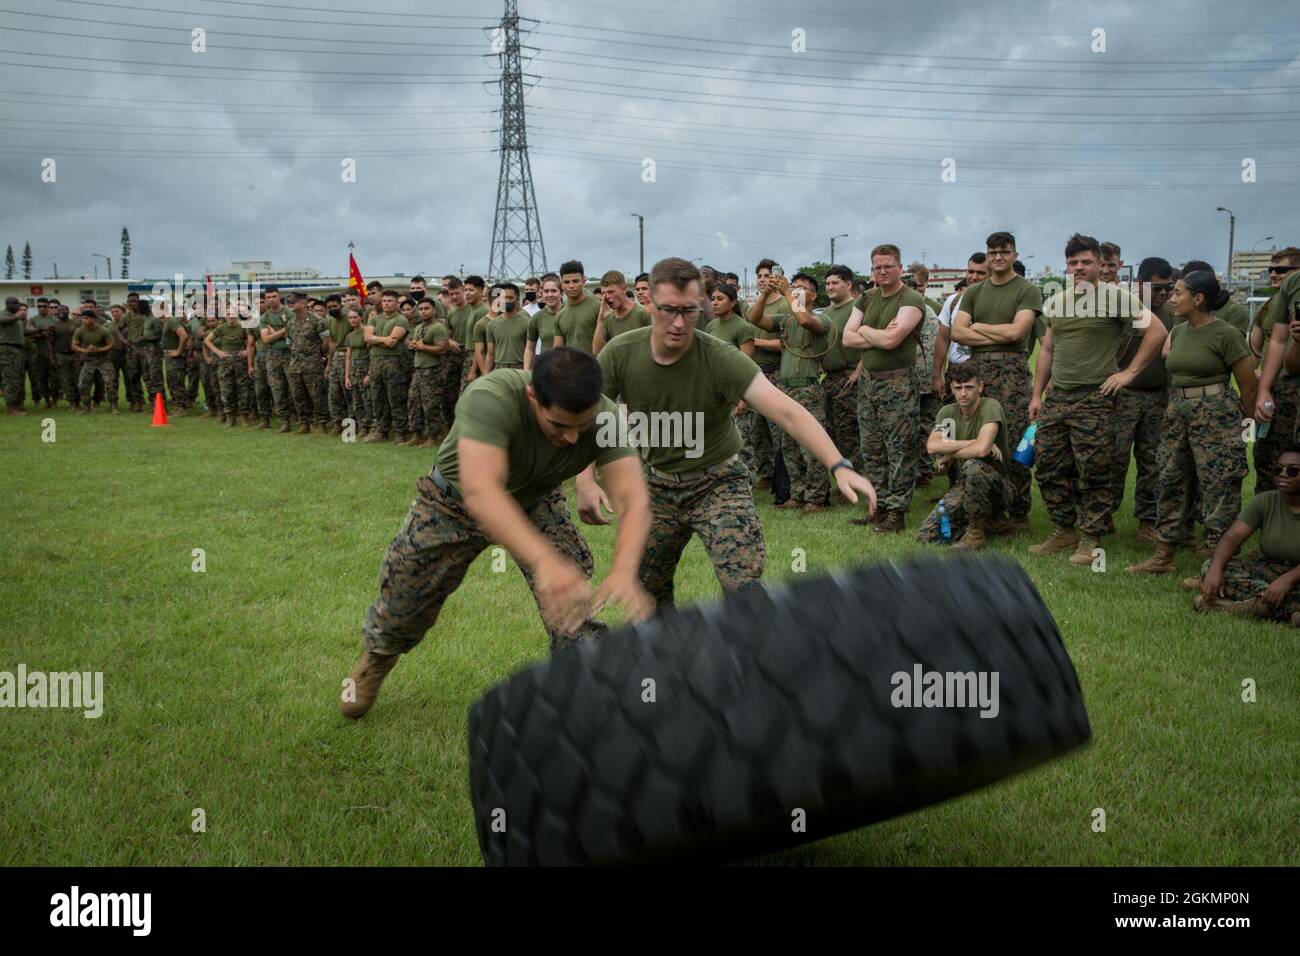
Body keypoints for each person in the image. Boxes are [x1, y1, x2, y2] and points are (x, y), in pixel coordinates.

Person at [340, 348, 654, 719]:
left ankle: (584, 682)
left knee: (570, 593)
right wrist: (543, 560)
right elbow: (482, 492)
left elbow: (633, 498)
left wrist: (623, 570)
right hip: (454, 502)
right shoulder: (491, 396)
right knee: (406, 595)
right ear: (533, 396)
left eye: (580, 427)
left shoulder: (604, 417)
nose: (572, 438)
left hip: (535, 498)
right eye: (559, 425)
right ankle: (378, 656)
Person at [583, 257, 877, 610]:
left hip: (717, 483)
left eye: (689, 311)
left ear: (702, 307)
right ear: (650, 304)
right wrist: (585, 480)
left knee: (743, 586)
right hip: (656, 486)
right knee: (647, 588)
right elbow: (588, 416)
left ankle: (750, 656)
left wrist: (838, 464)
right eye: (668, 310)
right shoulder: (621, 353)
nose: (678, 323)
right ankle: (664, 658)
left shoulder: (718, 357)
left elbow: (787, 410)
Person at [1029, 234, 1167, 565]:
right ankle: (1064, 531)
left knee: (1094, 470)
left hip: (1096, 398)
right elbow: (1048, 348)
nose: (1079, 267)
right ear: (1067, 265)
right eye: (1073, 262)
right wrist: (1037, 394)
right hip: (1059, 397)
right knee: (1048, 466)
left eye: (1086, 262)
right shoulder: (1057, 302)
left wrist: (1128, 373)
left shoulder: (1116, 298)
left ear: (1098, 264)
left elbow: (1157, 332)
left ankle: (1090, 538)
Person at [1126, 271, 1256, 573]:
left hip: (1215, 412)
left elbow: (1247, 385)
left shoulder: (1226, 334)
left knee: (1218, 485)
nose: (1172, 298)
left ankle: (1217, 565)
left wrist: (1247, 424)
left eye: (1178, 293)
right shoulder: (1179, 330)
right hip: (1178, 410)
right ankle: (1164, 555)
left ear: (1198, 299)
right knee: (1170, 478)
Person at [950, 232, 1042, 531]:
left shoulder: (1028, 290)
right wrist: (996, 332)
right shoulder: (974, 292)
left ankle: (1018, 513)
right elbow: (958, 332)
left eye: (1004, 252)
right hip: (978, 372)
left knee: (1013, 441)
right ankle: (984, 510)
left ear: (1015, 254)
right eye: (993, 253)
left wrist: (979, 326)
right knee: (980, 439)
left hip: (1012, 373)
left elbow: (1017, 334)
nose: (998, 257)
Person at [841, 243, 927, 533]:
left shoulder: (911, 298)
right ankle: (878, 507)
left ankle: (897, 513)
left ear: (900, 268)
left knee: (900, 450)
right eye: (877, 267)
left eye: (888, 266)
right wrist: (870, 332)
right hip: (869, 383)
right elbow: (846, 338)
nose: (882, 271)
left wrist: (863, 331)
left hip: (897, 382)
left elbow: (893, 341)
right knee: (872, 448)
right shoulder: (867, 297)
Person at [751, 271, 832, 512]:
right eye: (793, 287)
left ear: (813, 295)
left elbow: (805, 321)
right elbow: (755, 319)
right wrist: (765, 293)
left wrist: (787, 292)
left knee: (811, 445)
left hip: (808, 388)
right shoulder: (786, 320)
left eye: (801, 288)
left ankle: (816, 498)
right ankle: (798, 494)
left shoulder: (820, 319)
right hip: (786, 390)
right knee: (790, 446)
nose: (795, 291)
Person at [1193, 447, 1300, 626]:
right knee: (1212, 566)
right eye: (1277, 469)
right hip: (1270, 569)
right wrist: (1214, 571)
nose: (1283, 474)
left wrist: (1286, 581)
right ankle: (1279, 606)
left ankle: (1234, 606)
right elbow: (1232, 537)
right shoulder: (1265, 501)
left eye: (1292, 471)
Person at [1111, 257, 1177, 542]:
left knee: (1152, 462)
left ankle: (1147, 522)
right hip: (1122, 397)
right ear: (1140, 284)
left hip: (1158, 397)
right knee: (1113, 459)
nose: (1163, 294)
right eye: (1158, 288)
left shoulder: (1175, 314)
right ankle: (1103, 517)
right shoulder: (1125, 309)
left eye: (1169, 288)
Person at [917, 363, 1010, 550]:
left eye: (969, 387)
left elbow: (982, 450)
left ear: (980, 387)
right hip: (965, 486)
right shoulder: (948, 414)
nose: (963, 393)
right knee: (926, 534)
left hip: (999, 487)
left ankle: (976, 532)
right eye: (958, 388)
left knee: (973, 466)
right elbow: (933, 446)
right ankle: (992, 523)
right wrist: (972, 442)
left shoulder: (990, 407)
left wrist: (953, 452)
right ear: (951, 388)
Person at [1253, 248, 1300, 491]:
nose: (1273, 274)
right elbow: (1264, 348)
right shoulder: (1270, 306)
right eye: (1271, 269)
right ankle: (1269, 520)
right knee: (1268, 456)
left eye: (1280, 269)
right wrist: (1260, 389)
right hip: (1279, 390)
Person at [704, 283, 759, 478]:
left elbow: (748, 366)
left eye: (720, 299)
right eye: (713, 299)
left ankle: (747, 481)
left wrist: (743, 398)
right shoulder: (711, 326)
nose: (715, 303)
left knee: (743, 443)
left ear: (733, 302)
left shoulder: (742, 327)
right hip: (715, 393)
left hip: (736, 392)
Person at [746, 258, 789, 488]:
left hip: (776, 372)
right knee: (757, 430)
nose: (763, 280)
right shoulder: (755, 307)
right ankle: (766, 473)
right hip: (756, 372)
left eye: (768, 276)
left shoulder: (784, 305)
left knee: (776, 429)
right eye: (760, 276)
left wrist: (757, 341)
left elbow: (788, 344)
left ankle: (782, 477)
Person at [817, 265, 861, 475]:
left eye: (836, 282)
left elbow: (868, 343)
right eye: (827, 283)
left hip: (849, 377)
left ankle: (855, 477)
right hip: (829, 378)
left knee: (849, 433)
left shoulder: (857, 309)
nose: (831, 287)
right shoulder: (824, 313)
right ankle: (842, 475)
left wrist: (858, 371)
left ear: (848, 284)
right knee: (831, 431)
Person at [399, 298, 449, 448]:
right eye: (420, 309)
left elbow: (443, 348)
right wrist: (414, 345)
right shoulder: (418, 327)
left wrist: (422, 347)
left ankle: (434, 436)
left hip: (432, 370)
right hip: (419, 370)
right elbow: (416, 343)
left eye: (426, 308)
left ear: (434, 310)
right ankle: (417, 434)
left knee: (430, 405)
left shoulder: (438, 328)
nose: (423, 311)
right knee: (413, 401)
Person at [363, 291, 410, 443]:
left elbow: (392, 342)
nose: (387, 303)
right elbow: (367, 338)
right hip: (376, 363)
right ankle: (381, 431)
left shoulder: (401, 320)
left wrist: (375, 339)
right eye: (384, 300)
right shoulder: (374, 319)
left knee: (396, 398)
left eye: (390, 300)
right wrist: (382, 339)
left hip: (394, 364)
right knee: (377, 398)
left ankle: (400, 432)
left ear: (397, 303)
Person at [284, 291, 330, 433]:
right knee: (298, 395)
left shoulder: (318, 321)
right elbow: (289, 343)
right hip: (295, 365)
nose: (290, 304)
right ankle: (305, 423)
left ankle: (322, 423)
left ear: (303, 303)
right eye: (289, 301)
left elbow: (326, 343)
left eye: (294, 301)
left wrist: (315, 354)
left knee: (317, 395)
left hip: (312, 364)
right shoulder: (291, 323)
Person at [258, 286, 297, 431]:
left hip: (290, 355)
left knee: (294, 389)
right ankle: (284, 421)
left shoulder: (290, 314)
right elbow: (266, 339)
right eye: (268, 297)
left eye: (274, 296)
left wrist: (275, 332)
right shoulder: (264, 317)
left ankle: (302, 419)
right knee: (277, 389)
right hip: (272, 357)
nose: (271, 300)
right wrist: (283, 330)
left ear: (279, 296)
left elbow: (295, 336)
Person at [206, 305, 252, 425]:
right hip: (225, 362)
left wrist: (246, 351)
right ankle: (230, 416)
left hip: (240, 361)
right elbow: (207, 340)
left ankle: (245, 416)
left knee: (243, 389)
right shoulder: (221, 328)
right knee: (226, 390)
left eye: (232, 314)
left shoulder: (243, 327)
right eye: (228, 314)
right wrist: (218, 352)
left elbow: (251, 342)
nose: (230, 316)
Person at [71, 308, 117, 414]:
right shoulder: (80, 331)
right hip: (89, 361)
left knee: (110, 383)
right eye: (83, 318)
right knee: (82, 384)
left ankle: (113, 406)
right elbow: (73, 346)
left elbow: (111, 345)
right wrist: (85, 350)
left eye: (86, 318)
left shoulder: (103, 331)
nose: (84, 320)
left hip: (103, 360)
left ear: (93, 319)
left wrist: (98, 349)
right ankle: (87, 407)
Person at [591, 270, 650, 353]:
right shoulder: (609, 319)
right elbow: (597, 351)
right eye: (603, 293)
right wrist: (600, 319)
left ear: (624, 289)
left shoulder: (643, 314)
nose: (607, 297)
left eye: (611, 292)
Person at [552, 260, 601, 353]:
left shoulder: (598, 307)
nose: (571, 286)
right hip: (570, 366)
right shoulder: (560, 315)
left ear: (583, 281)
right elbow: (557, 353)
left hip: (596, 365)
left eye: (575, 281)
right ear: (561, 284)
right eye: (566, 282)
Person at [341, 307, 372, 439]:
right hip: (354, 369)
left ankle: (371, 427)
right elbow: (348, 356)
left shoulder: (367, 331)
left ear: (361, 317)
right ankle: (362, 427)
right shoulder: (349, 336)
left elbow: (373, 354)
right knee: (357, 400)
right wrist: (346, 376)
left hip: (365, 367)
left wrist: (370, 373)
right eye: (350, 318)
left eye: (355, 317)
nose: (352, 320)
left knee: (368, 399)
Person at [485, 282, 530, 371]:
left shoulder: (527, 323)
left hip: (519, 368)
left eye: (510, 297)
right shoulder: (492, 325)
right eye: (505, 297)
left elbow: (529, 350)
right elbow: (490, 354)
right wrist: (486, 375)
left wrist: (526, 373)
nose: (507, 300)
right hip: (499, 368)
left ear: (517, 299)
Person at [323, 293, 351, 435]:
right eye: (329, 307)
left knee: (349, 395)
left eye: (335, 306)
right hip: (335, 360)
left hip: (348, 358)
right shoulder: (330, 320)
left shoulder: (349, 318)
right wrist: (328, 365)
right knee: (333, 395)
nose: (332, 309)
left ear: (341, 305)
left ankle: (351, 427)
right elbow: (332, 345)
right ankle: (337, 424)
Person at [523, 273, 563, 371]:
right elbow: (529, 349)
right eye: (546, 291)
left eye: (553, 291)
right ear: (541, 293)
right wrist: (526, 374)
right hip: (546, 369)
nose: (550, 295)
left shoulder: (569, 313)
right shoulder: (536, 318)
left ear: (561, 293)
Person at [161, 303, 190, 416]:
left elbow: (184, 336)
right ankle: (177, 405)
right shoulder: (167, 321)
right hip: (169, 356)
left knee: (177, 382)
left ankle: (181, 408)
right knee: (172, 382)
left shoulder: (172, 321)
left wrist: (178, 351)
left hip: (175, 357)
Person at [0, 297, 27, 414]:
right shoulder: (3, 314)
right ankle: (10, 407)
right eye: (15, 304)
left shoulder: (16, 317)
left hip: (18, 350)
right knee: (10, 379)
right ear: (8, 304)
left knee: (19, 378)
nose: (18, 306)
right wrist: (17, 317)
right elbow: (3, 321)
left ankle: (17, 405)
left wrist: (39, 331)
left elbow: (23, 332)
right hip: (7, 349)